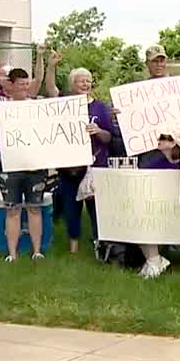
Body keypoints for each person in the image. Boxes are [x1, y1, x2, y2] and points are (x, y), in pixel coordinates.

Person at [0, 67, 47, 262]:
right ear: (11, 86)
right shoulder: (1, 104)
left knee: (34, 207)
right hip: (8, 164)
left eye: (27, 83)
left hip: (34, 163)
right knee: (12, 209)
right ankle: (12, 254)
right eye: (22, 84)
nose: (26, 87)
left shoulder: (37, 105)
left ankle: (37, 251)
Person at [45, 52, 112, 253]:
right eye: (81, 81)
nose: (85, 84)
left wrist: (98, 131)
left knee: (94, 207)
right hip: (69, 165)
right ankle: (73, 245)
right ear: (72, 84)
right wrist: (51, 66)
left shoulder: (100, 107)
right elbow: (50, 91)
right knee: (70, 205)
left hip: (95, 164)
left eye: (88, 81)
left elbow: (109, 136)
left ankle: (99, 243)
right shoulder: (65, 103)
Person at [0, 38, 44, 177]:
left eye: (7, 76)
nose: (3, 79)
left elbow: (38, 79)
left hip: (21, 150)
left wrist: (39, 56)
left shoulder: (25, 95)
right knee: (0, 186)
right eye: (1, 76)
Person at [136, 128, 180, 279]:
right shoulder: (154, 162)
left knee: (147, 216)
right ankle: (154, 260)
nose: (159, 140)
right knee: (136, 215)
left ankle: (154, 261)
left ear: (173, 143)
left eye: (163, 137)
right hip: (157, 204)